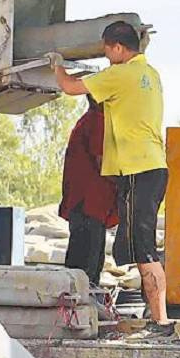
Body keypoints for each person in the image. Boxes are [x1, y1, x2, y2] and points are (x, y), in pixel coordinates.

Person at [51, 20, 172, 336]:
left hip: (137, 170)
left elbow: (69, 87)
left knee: (143, 250)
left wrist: (56, 65)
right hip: (150, 167)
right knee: (136, 248)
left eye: (107, 50)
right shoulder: (150, 74)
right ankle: (158, 318)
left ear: (118, 48)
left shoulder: (119, 75)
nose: (106, 57)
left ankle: (160, 321)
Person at [60, 95, 118, 286]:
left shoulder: (87, 121)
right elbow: (103, 163)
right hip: (90, 204)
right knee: (88, 266)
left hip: (86, 204)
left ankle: (77, 306)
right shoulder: (97, 121)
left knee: (83, 261)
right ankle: (79, 308)